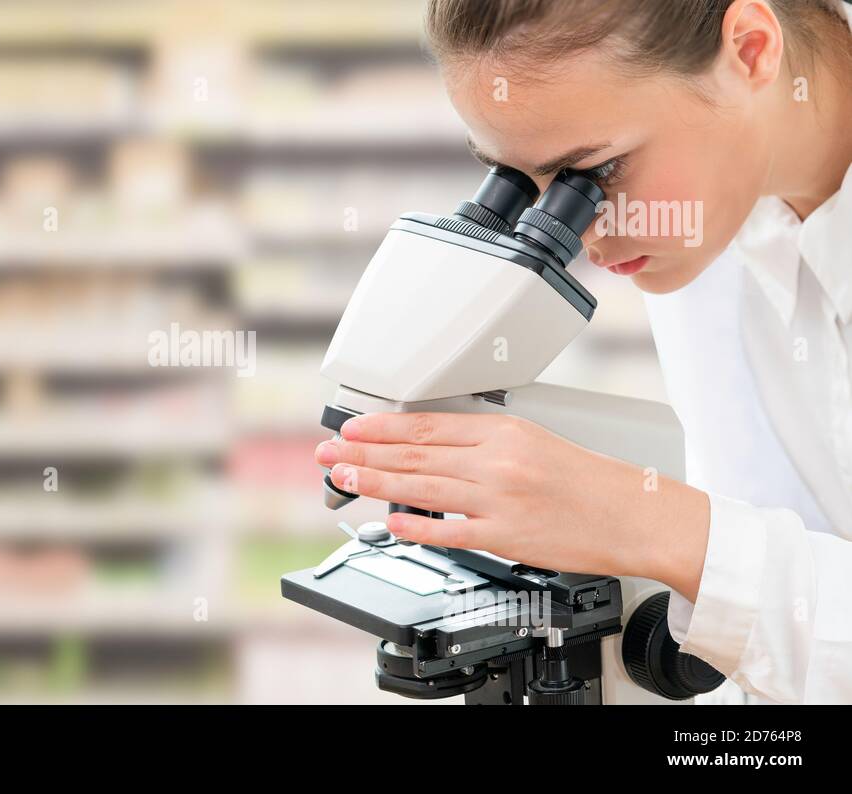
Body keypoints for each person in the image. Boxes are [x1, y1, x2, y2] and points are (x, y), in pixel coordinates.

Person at [313, 0, 852, 703]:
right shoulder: (700, 218)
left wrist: (650, 524)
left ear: (750, 50)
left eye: (598, 173)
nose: (586, 237)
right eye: (526, 187)